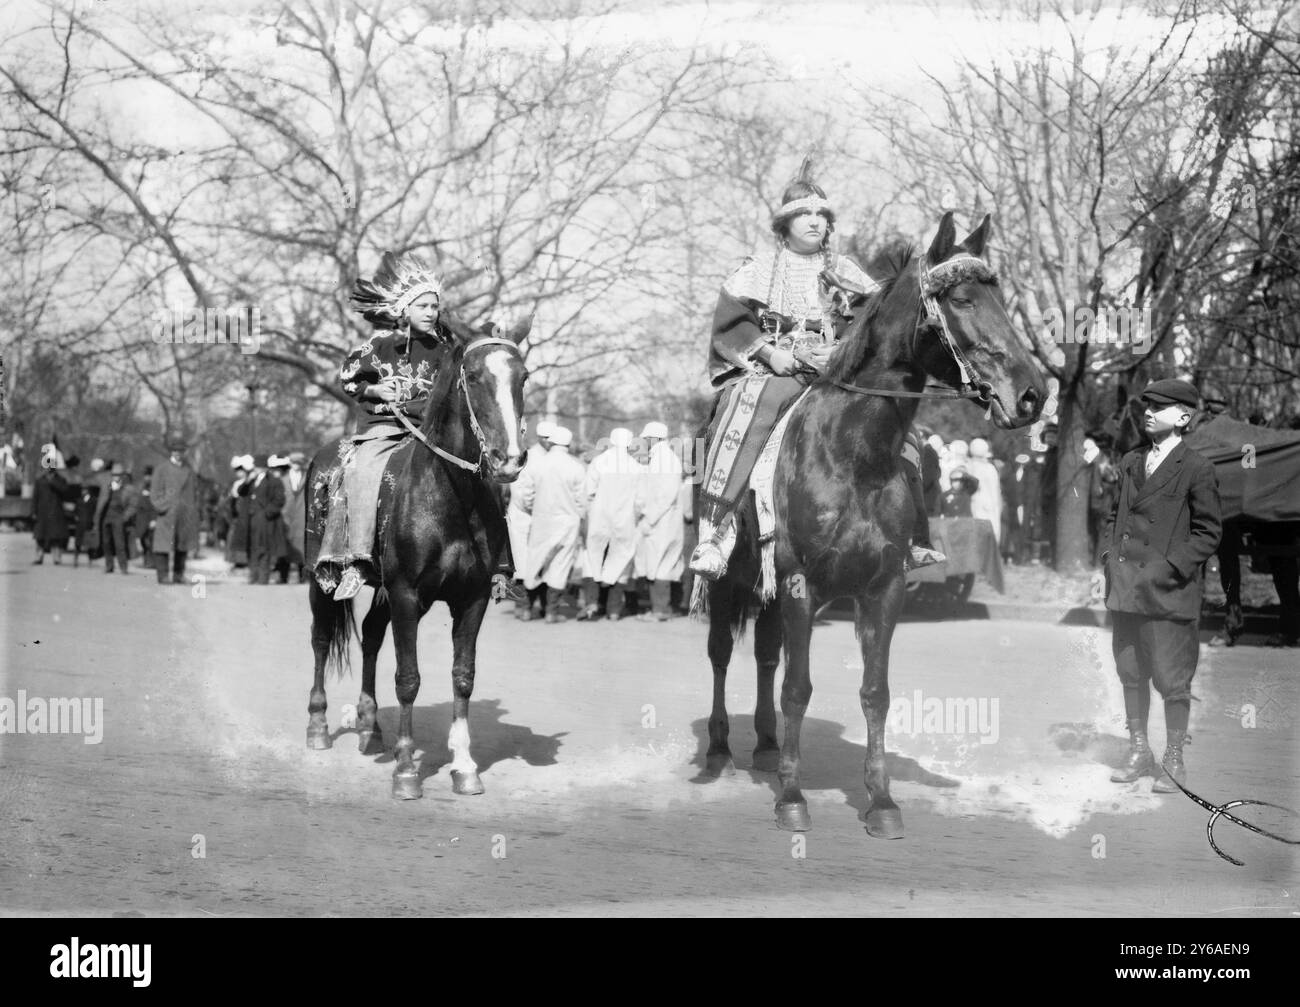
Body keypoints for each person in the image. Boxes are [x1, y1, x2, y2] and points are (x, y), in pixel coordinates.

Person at [691, 156, 880, 581]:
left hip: (839, 369)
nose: (815, 222)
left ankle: (906, 534)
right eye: (803, 214)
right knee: (751, 402)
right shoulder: (755, 271)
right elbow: (731, 322)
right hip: (778, 366)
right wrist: (771, 354)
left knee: (891, 417)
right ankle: (718, 531)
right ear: (784, 225)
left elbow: (874, 320)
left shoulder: (846, 272)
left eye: (821, 215)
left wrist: (845, 351)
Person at [1103, 379, 1222, 794]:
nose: (1149, 412)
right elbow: (1111, 518)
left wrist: (1168, 568)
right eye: (1147, 405)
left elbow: (1208, 533)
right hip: (1125, 592)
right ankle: (1140, 750)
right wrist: (1107, 561)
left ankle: (1174, 756)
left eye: (1161, 407)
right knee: (1130, 672)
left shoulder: (1197, 468)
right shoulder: (1132, 461)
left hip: (1168, 592)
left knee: (1172, 680)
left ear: (1184, 418)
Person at [315, 252, 450, 601]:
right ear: (404, 310)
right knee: (361, 469)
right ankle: (357, 561)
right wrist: (374, 389)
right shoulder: (378, 344)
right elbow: (348, 380)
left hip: (430, 431)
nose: (430, 313)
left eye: (434, 307)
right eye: (422, 306)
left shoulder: (445, 348)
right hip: (385, 428)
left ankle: (495, 565)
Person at [516, 426, 587, 622]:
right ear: (569, 444)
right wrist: (579, 516)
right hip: (567, 522)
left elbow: (525, 495)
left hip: (541, 520)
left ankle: (526, 609)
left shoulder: (538, 464)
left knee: (534, 562)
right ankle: (551, 612)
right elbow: (582, 500)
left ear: (551, 441)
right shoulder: (576, 467)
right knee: (560, 565)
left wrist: (533, 509)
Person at [580, 427, 639, 621]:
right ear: (629, 443)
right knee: (621, 558)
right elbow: (640, 498)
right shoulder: (635, 466)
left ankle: (591, 604)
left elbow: (589, 491)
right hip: (625, 518)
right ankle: (613, 610)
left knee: (592, 557)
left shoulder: (599, 462)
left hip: (599, 515)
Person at [634, 422, 686, 620]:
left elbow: (665, 495)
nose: (645, 441)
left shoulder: (664, 460)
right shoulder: (662, 458)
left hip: (661, 520)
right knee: (661, 563)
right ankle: (661, 608)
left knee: (660, 564)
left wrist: (649, 517)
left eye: (647, 438)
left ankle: (660, 610)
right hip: (663, 519)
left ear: (654, 438)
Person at [508, 421, 554, 620]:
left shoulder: (552, 459)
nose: (549, 442)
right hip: (524, 517)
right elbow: (521, 493)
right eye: (546, 439)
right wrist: (539, 511)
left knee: (544, 562)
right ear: (540, 438)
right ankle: (523, 607)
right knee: (523, 564)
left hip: (543, 518)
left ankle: (543, 606)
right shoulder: (529, 457)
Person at [151, 435, 201, 585]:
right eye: (175, 451)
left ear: (185, 452)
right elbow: (155, 493)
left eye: (181, 451)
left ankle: (178, 575)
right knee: (162, 546)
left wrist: (192, 509)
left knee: (182, 545)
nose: (178, 453)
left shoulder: (189, 470)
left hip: (184, 513)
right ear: (171, 452)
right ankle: (163, 575)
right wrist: (164, 506)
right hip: (167, 513)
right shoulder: (162, 469)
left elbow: (194, 492)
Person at [243, 454, 287, 585]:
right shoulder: (252, 480)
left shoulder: (273, 481)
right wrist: (247, 481)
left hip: (265, 519)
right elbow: (241, 492)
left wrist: (267, 513)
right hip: (252, 519)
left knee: (264, 547)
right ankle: (253, 576)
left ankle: (263, 578)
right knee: (253, 547)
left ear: (262, 468)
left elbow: (279, 500)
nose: (254, 470)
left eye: (256, 467)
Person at [93, 464, 139, 574]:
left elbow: (133, 505)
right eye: (114, 474)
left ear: (122, 476)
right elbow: (100, 503)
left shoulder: (128, 489)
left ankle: (123, 567)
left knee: (120, 544)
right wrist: (96, 518)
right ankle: (109, 566)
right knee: (106, 542)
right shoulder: (106, 487)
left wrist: (125, 517)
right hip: (106, 517)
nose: (116, 477)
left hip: (119, 518)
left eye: (118, 475)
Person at [32, 444, 74, 564]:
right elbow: (35, 497)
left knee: (56, 537)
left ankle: (57, 557)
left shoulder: (60, 480)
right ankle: (38, 557)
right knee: (39, 537)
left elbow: (65, 491)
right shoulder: (40, 481)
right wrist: (33, 512)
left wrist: (53, 482)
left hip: (56, 512)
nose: (49, 470)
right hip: (42, 512)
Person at [966, 438, 1003, 545]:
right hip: (987, 504)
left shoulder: (969, 466)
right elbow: (995, 492)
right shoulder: (989, 468)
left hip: (979, 504)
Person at [281, 451, 309, 584]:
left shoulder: (308, 477)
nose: (296, 465)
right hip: (286, 516)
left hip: (301, 516)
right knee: (285, 546)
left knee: (302, 547)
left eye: (299, 463)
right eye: (294, 462)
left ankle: (302, 577)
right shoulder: (283, 479)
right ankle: (283, 577)